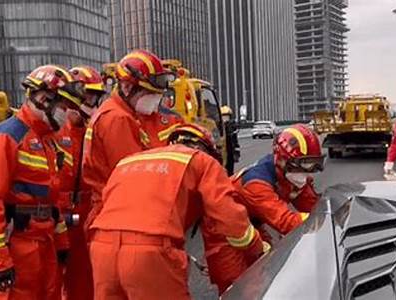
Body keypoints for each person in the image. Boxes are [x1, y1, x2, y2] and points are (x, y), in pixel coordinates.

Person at [89, 123, 267, 300]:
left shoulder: (130, 160)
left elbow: (103, 206)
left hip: (101, 250)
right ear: (204, 149)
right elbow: (232, 221)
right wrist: (258, 247)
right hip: (150, 253)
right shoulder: (201, 161)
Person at [0, 65, 86, 299]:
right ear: (42, 99)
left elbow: (52, 200)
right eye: (63, 105)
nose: (67, 112)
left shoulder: (49, 142)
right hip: (17, 246)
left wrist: (61, 242)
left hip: (44, 244)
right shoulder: (6, 138)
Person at [203, 124, 323, 293]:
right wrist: (323, 221)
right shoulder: (257, 184)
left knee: (264, 269)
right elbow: (287, 222)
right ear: (282, 160)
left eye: (313, 164)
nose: (309, 173)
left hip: (250, 221)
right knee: (236, 284)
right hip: (222, 228)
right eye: (304, 165)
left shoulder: (290, 171)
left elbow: (314, 206)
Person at [82, 49, 173, 238]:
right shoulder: (117, 119)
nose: (156, 100)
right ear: (127, 88)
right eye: (149, 93)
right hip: (119, 219)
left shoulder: (122, 114)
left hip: (114, 214)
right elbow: (135, 178)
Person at [54, 65, 106, 300]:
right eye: (86, 96)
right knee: (53, 279)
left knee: (86, 277)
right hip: (58, 213)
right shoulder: (52, 131)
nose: (88, 103)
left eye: (93, 97)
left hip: (88, 210)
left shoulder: (97, 130)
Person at [221, 105, 240, 175]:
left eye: (226, 117)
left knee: (230, 170)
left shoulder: (232, 127)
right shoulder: (218, 126)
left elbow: (235, 142)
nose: (225, 119)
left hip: (230, 152)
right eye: (223, 117)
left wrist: (236, 154)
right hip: (222, 151)